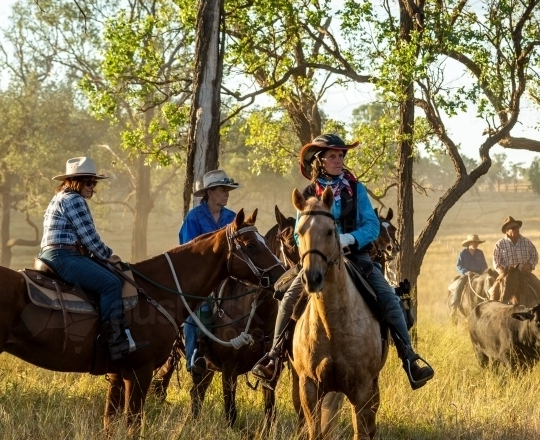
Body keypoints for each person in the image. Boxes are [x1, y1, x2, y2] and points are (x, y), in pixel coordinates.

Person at [250, 133, 435, 390]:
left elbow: (371, 225)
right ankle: (273, 357)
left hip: (355, 257)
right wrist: (311, 246)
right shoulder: (307, 193)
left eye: (340, 155)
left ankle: (410, 359)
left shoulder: (356, 189)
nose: (338, 160)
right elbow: (296, 231)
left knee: (389, 297)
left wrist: (349, 238)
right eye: (332, 156)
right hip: (316, 258)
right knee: (287, 296)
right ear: (320, 160)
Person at [39, 157, 147, 361]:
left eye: (94, 183)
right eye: (89, 182)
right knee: (111, 283)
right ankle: (114, 342)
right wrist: (108, 255)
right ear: (75, 182)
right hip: (64, 255)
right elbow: (89, 237)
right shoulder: (74, 200)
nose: (93, 188)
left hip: (53, 253)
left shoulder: (59, 197)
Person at [179, 169, 241, 372]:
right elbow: (190, 252)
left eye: (227, 190)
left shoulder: (232, 218)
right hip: (201, 277)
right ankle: (193, 355)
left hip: (229, 275)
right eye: (223, 190)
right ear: (210, 192)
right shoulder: (193, 218)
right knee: (195, 310)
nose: (227, 193)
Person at [491, 216, 540, 304]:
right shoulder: (500, 244)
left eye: (517, 227)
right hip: (507, 275)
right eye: (513, 228)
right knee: (493, 292)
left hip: (524, 273)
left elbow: (534, 255)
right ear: (507, 230)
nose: (516, 229)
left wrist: (530, 264)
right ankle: (493, 313)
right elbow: (496, 261)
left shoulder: (526, 242)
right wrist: (503, 270)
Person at [448, 234, 487, 310]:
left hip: (479, 274)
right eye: (474, 242)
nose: (476, 244)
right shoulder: (463, 253)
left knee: (488, 284)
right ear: (469, 243)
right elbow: (459, 266)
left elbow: (484, 264)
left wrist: (483, 272)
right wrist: (466, 272)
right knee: (460, 284)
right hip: (467, 274)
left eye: (477, 243)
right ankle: (455, 303)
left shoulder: (480, 253)